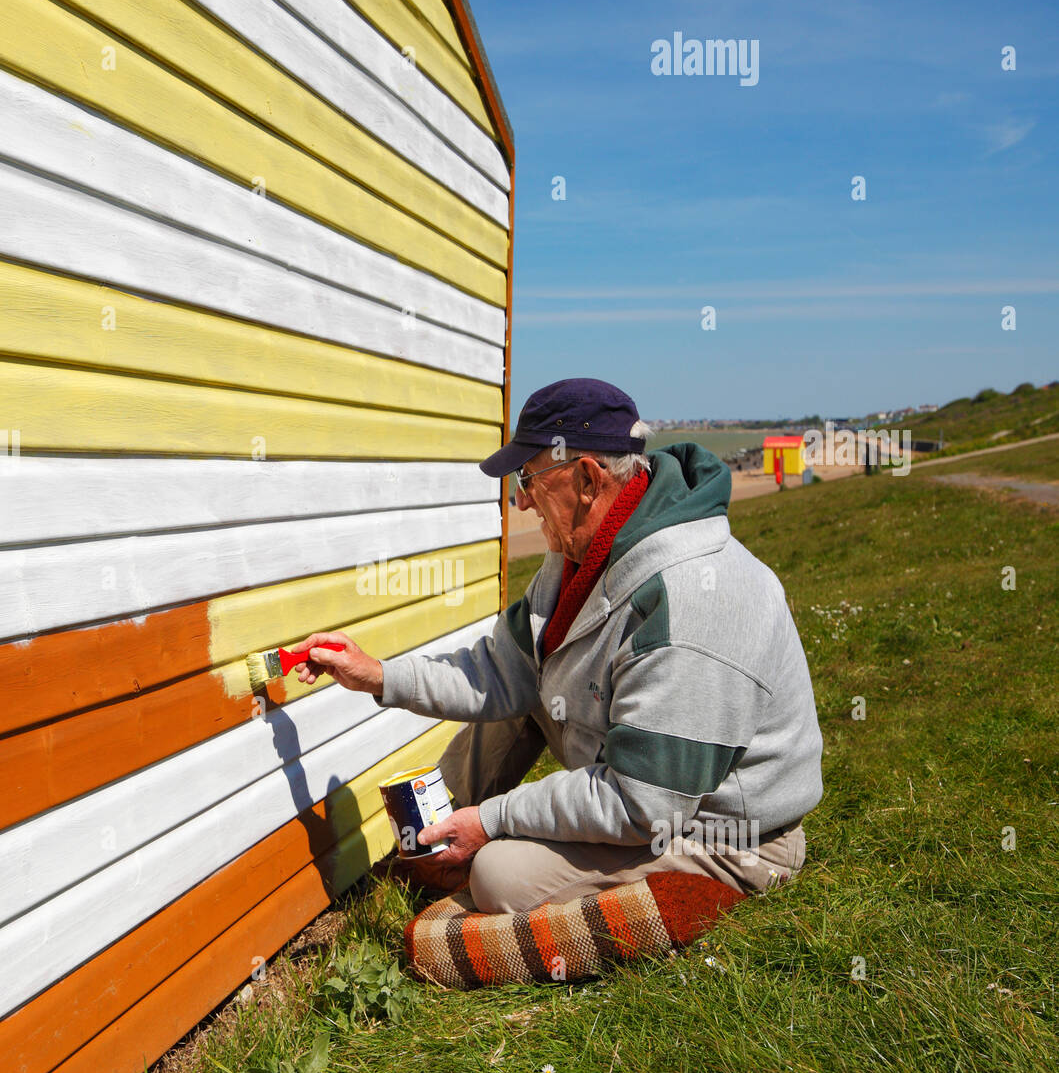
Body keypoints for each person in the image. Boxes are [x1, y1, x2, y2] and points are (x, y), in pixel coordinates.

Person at [294, 377, 824, 915]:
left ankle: (703, 891)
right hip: (649, 790)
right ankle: (432, 852)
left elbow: (642, 803)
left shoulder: (688, 599)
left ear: (589, 479)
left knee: (500, 877)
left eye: (527, 479)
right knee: (522, 698)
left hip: (722, 834)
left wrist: (495, 819)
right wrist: (378, 675)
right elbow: (500, 671)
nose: (520, 502)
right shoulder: (580, 557)